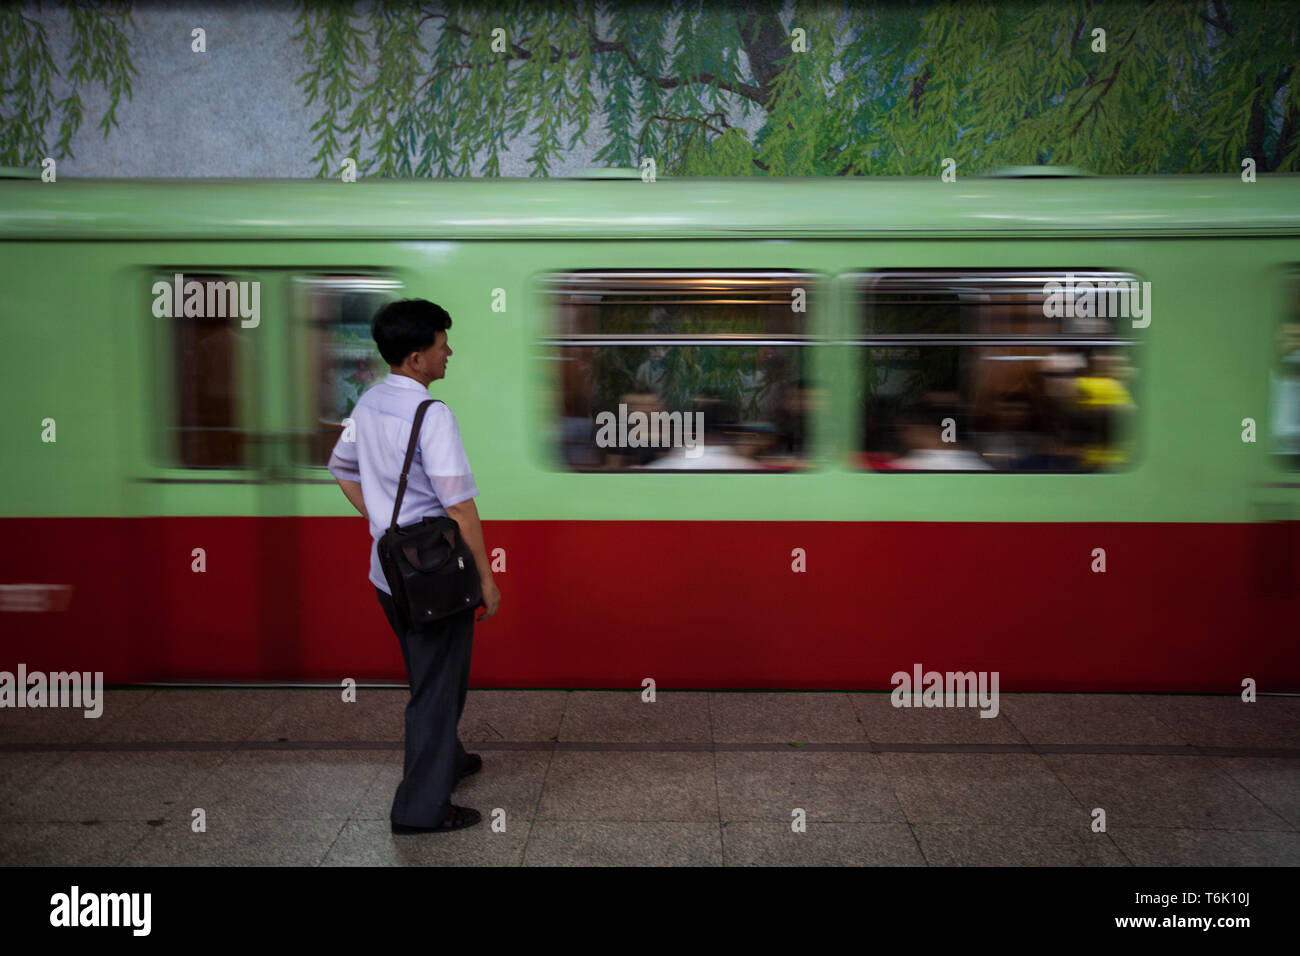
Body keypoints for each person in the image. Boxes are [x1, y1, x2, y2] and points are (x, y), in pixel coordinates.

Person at [327, 298, 501, 834]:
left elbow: (340, 468)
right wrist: (488, 580)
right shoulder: (432, 414)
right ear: (415, 357)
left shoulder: (368, 402)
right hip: (435, 576)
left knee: (432, 674)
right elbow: (459, 508)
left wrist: (384, 524)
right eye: (441, 343)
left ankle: (447, 758)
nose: (449, 352)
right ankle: (420, 810)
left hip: (391, 575)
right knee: (438, 687)